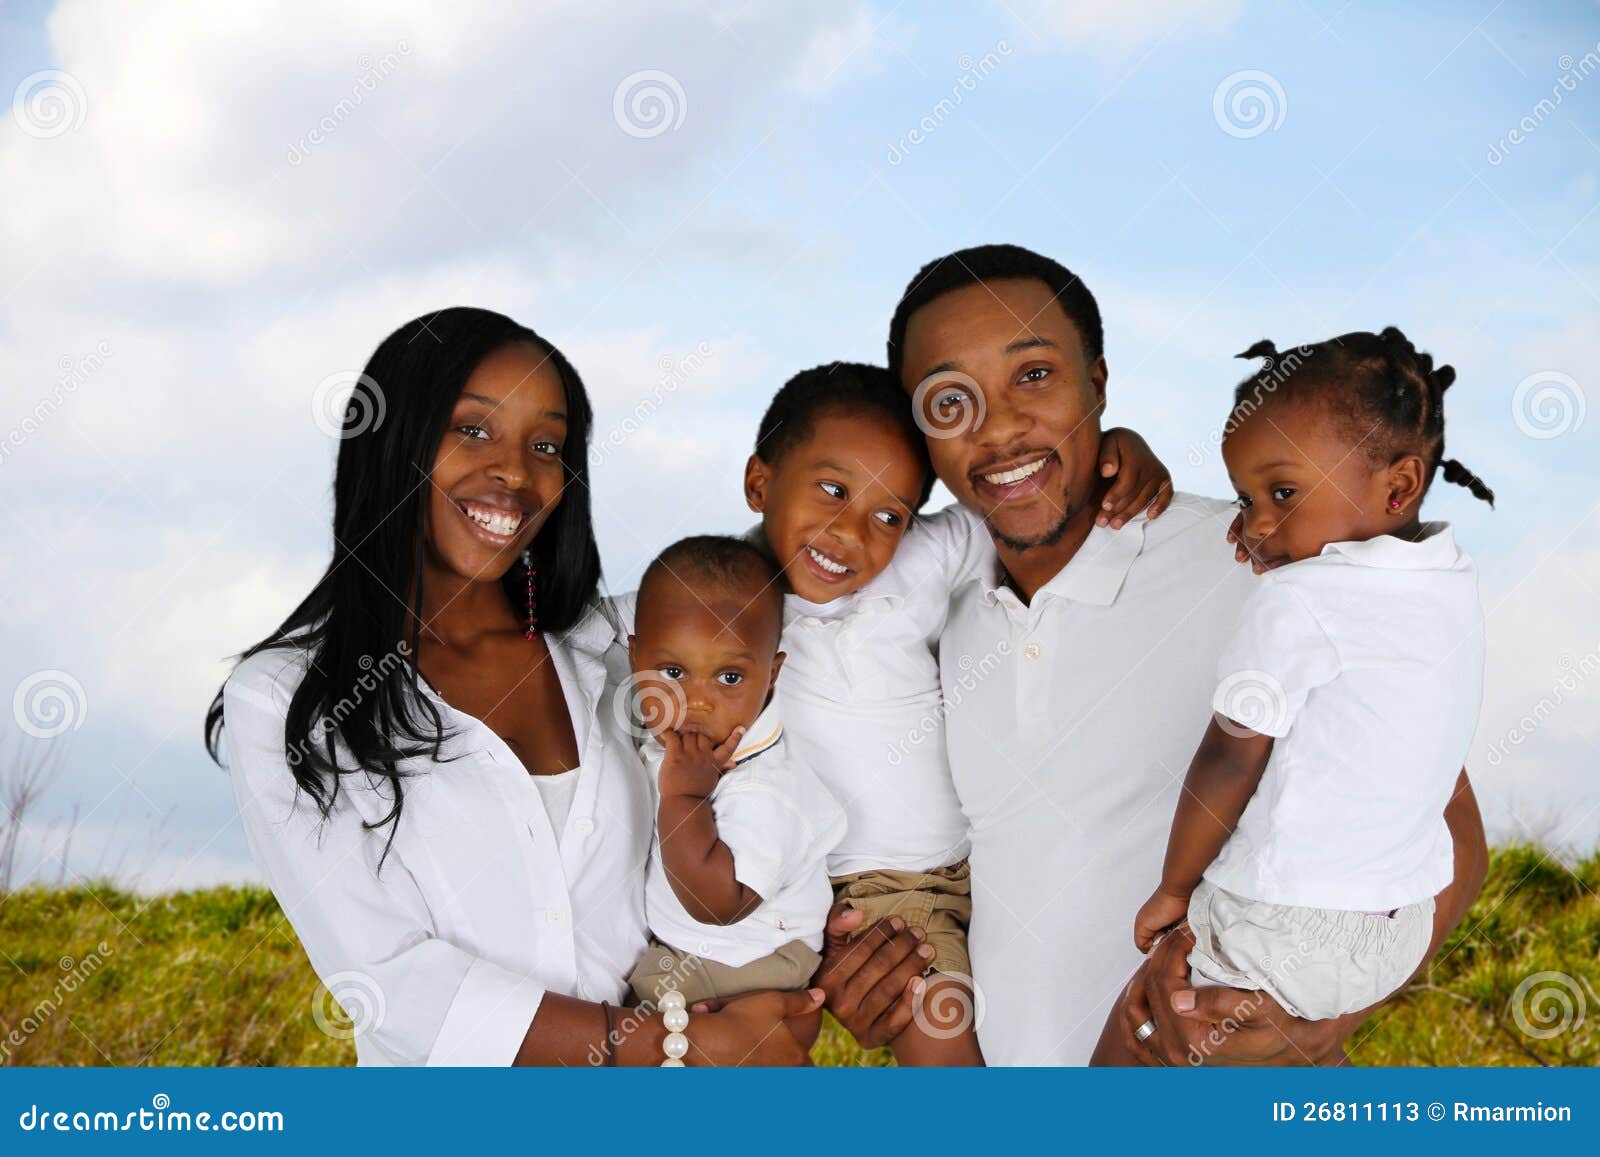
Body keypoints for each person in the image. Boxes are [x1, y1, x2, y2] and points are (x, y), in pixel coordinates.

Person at [886, 244, 1489, 1066]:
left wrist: (1328, 1019)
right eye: (950, 400)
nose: (996, 427)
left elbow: (1449, 823)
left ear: (1097, 384)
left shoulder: (1266, 566)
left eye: (1034, 375)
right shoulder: (923, 617)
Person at [206, 308, 824, 1066]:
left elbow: (827, 641)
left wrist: (872, 931)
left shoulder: (625, 649)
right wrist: (684, 1046)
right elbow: (394, 985)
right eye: (473, 430)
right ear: (395, 441)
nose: (516, 472)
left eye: (546, 446)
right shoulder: (285, 700)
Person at [739, 361, 1172, 1064]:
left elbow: (1026, 503)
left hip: (987, 862)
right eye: (833, 490)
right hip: (872, 896)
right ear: (760, 483)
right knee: (945, 1052)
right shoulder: (721, 602)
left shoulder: (920, 559)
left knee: (1091, 1015)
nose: (851, 531)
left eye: (888, 515)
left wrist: (1114, 450)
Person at [1104, 329, 1491, 1056]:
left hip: (1282, 921)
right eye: (1245, 498)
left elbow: (1229, 758)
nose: (1255, 523)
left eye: (1282, 492)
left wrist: (1174, 889)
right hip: (1395, 927)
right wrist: (1291, 530)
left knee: (1132, 1052)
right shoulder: (1450, 581)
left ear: (1399, 485)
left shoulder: (1298, 599)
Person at [624, 535, 845, 1028]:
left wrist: (684, 797)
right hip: (699, 950)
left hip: (750, 961)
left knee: (640, 1035)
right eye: (673, 671)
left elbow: (720, 904)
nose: (698, 701)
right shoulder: (676, 742)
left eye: (729, 677)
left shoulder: (767, 786)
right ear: (635, 660)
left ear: (772, 674)